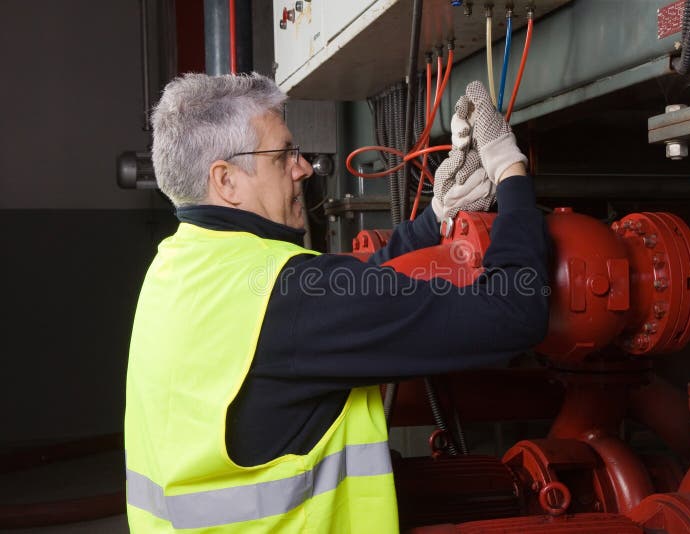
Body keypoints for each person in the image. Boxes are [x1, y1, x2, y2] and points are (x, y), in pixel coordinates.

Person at [125, 73, 550, 533]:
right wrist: (510, 174)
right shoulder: (292, 296)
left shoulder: (176, 267)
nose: (304, 168)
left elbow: (343, 293)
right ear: (226, 181)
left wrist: (436, 218)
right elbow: (515, 312)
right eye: (284, 154)